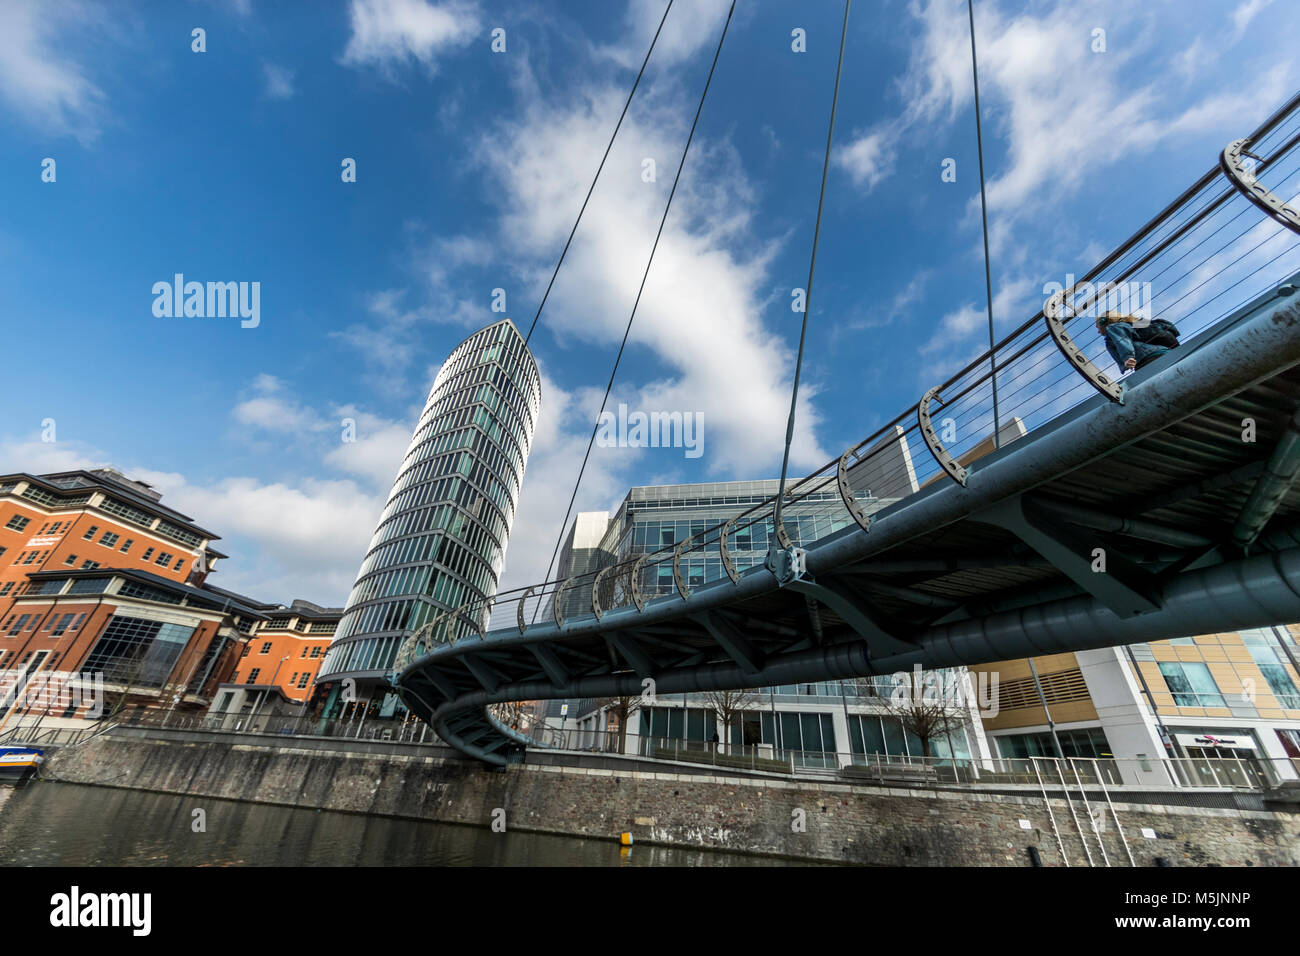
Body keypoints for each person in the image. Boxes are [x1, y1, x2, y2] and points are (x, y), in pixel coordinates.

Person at [1095, 311, 1180, 373]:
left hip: (1147, 358)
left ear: (1103, 322)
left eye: (1097, 327)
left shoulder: (1113, 327)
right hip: (1165, 351)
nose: (1098, 331)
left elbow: (1122, 341)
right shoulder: (1132, 324)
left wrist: (1128, 357)